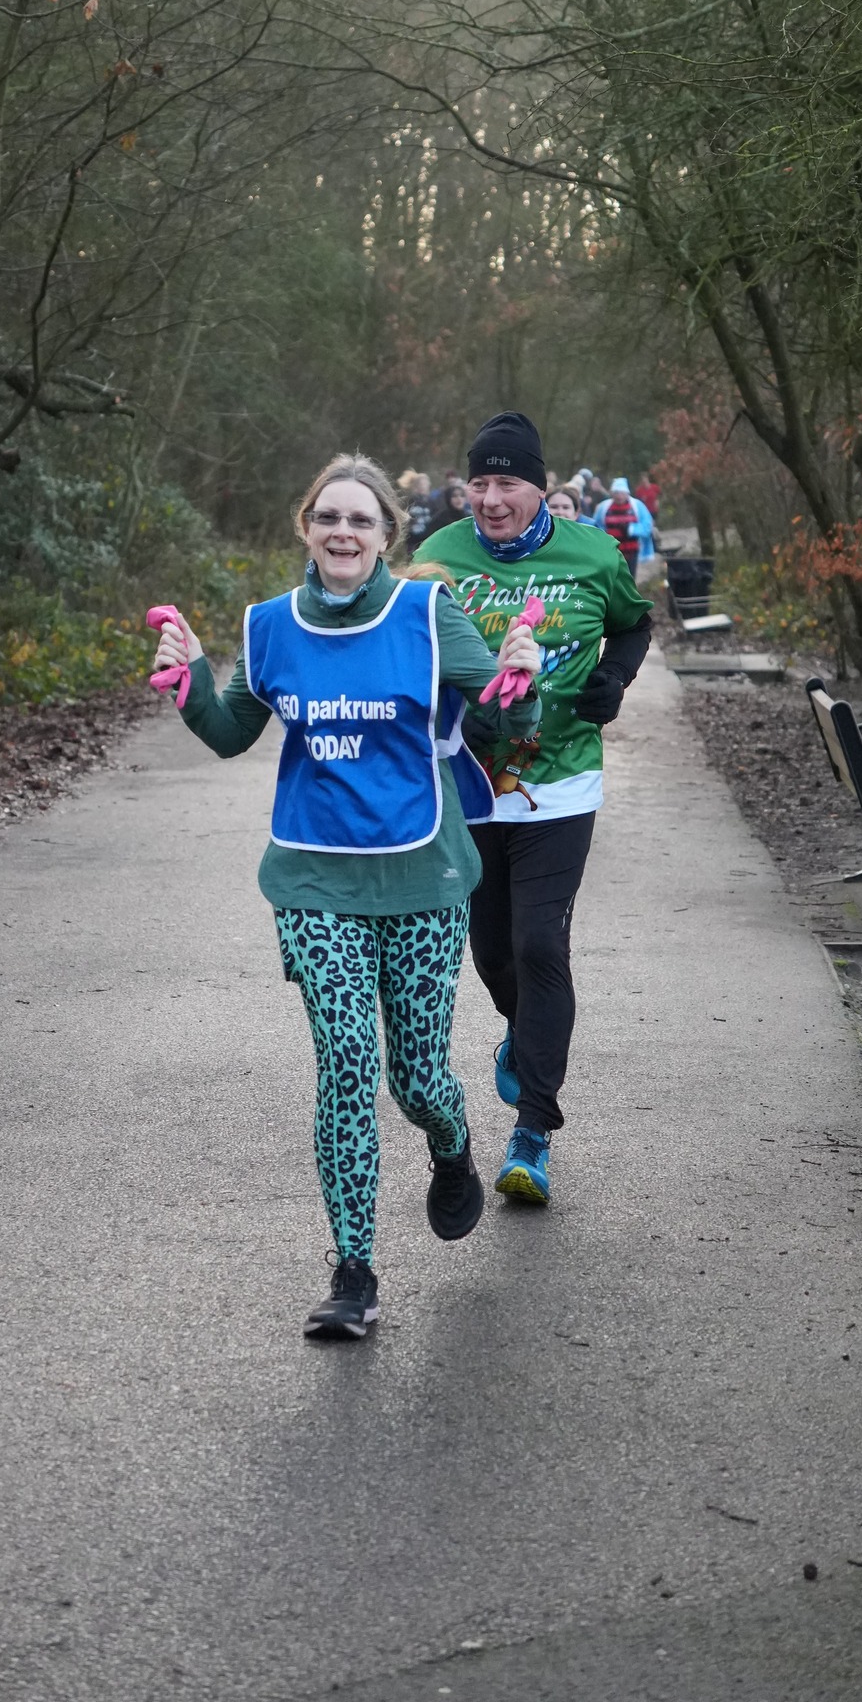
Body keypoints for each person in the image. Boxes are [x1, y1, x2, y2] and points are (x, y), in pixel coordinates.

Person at [152, 453, 540, 1342]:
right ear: (305, 526)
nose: (342, 532)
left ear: (385, 538)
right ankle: (353, 1271)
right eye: (328, 517)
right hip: (313, 879)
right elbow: (226, 733)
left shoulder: (428, 616)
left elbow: (505, 718)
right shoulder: (269, 626)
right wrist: (189, 684)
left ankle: (451, 1144)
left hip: (422, 878)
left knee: (417, 1077)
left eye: (361, 521)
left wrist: (521, 685)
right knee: (346, 1067)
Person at [416, 414, 652, 1206]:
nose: (489, 498)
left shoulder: (592, 554)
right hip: (468, 787)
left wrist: (611, 684)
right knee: (491, 955)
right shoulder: (434, 560)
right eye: (478, 482)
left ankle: (532, 1132)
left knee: (539, 945)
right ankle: (523, 1033)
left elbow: (633, 624)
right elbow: (401, 648)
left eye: (506, 482)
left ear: (539, 488)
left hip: (561, 785)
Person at [397, 468, 432, 556]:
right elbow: (403, 517)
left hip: (426, 537)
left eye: (425, 484)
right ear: (416, 486)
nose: (423, 486)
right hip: (412, 538)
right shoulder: (410, 501)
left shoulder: (431, 502)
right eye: (421, 484)